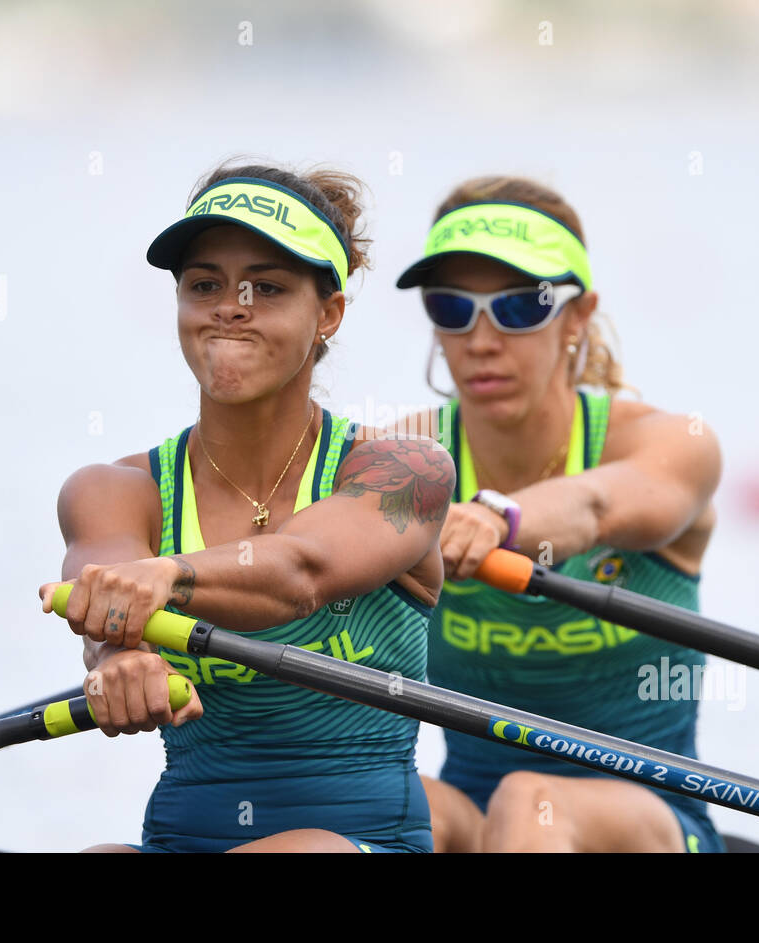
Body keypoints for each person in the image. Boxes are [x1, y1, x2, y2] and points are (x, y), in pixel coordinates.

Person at [39, 163, 453, 853]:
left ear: (328, 313)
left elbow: (299, 571)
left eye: (266, 286)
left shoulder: (404, 470)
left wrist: (166, 577)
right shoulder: (112, 490)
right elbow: (107, 595)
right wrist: (119, 656)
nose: (231, 305)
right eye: (205, 284)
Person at [393, 176, 725, 853]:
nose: (481, 340)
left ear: (578, 316)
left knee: (531, 800)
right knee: (381, 792)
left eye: (520, 307)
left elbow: (597, 503)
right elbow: (294, 563)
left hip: (653, 823)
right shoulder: (398, 462)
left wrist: (497, 517)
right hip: (478, 820)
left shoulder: (669, 444)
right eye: (453, 307)